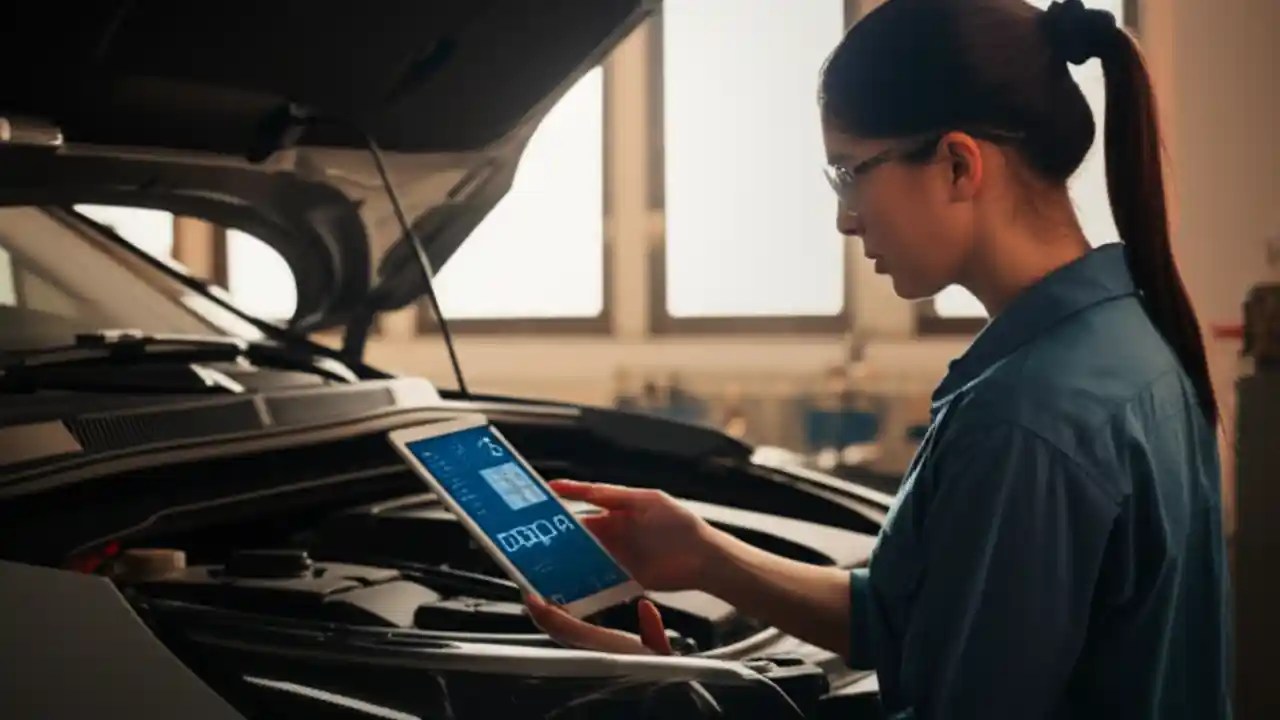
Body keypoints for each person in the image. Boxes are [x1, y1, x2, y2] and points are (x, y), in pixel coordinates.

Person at [524, 0, 1233, 717]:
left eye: (850, 173)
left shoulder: (1027, 418)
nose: (845, 217)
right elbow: (905, 619)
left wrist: (673, 699)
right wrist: (706, 554)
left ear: (958, 163)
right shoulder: (1128, 341)